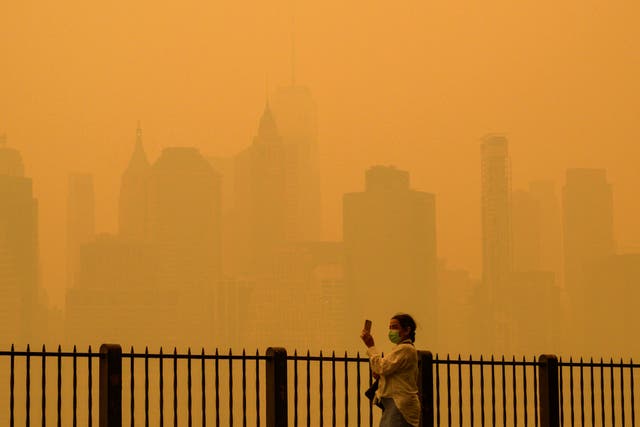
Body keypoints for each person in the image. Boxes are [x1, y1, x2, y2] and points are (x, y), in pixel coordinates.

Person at [360, 314, 420, 427]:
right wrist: (382, 375)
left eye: (395, 327)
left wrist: (371, 346)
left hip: (399, 405)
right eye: (390, 327)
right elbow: (389, 372)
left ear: (407, 330)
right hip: (394, 404)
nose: (391, 331)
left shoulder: (406, 349)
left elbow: (381, 367)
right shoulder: (401, 349)